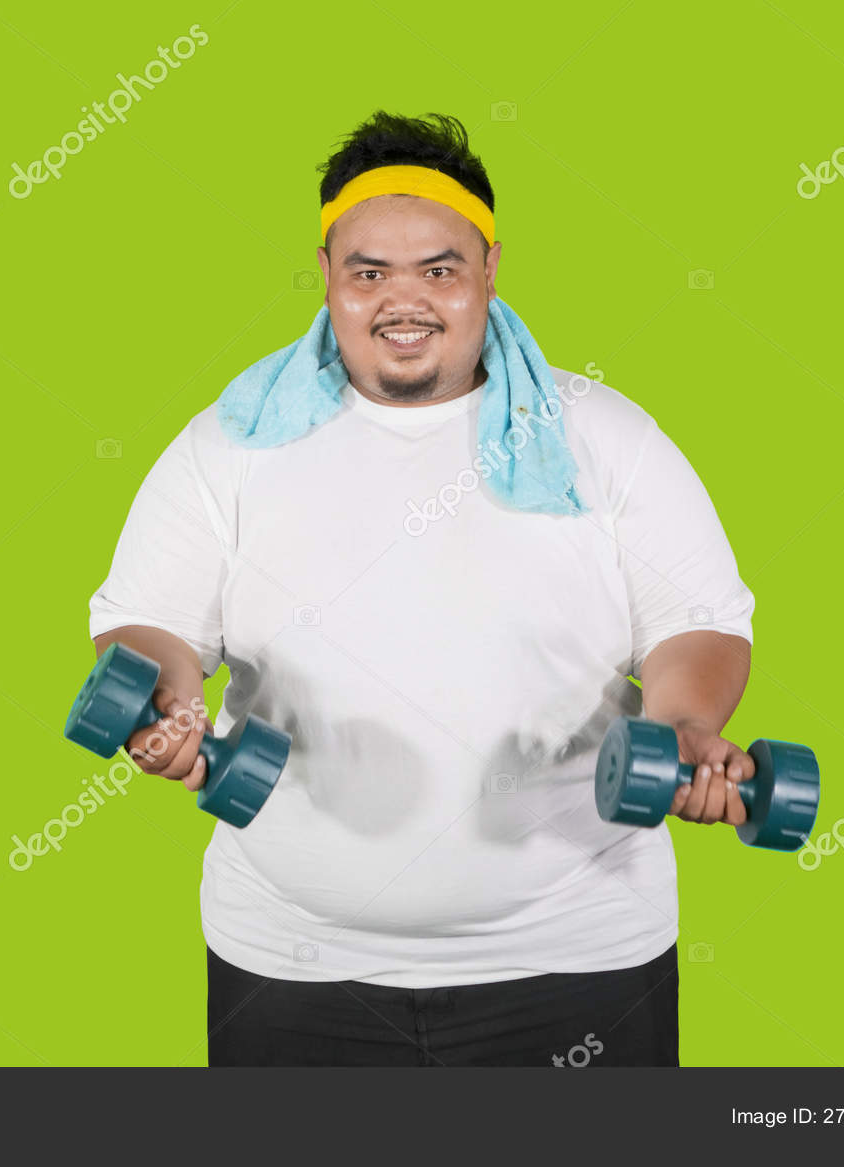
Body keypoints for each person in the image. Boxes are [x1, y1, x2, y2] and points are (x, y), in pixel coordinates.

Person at [87, 111, 757, 1067]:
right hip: (290, 964)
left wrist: (687, 727)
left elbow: (698, 621)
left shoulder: (603, 435)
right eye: (369, 272)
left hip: (578, 960)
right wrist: (166, 698)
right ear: (326, 274)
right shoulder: (230, 444)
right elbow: (144, 622)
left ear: (489, 267)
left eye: (439, 269)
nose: (405, 300)